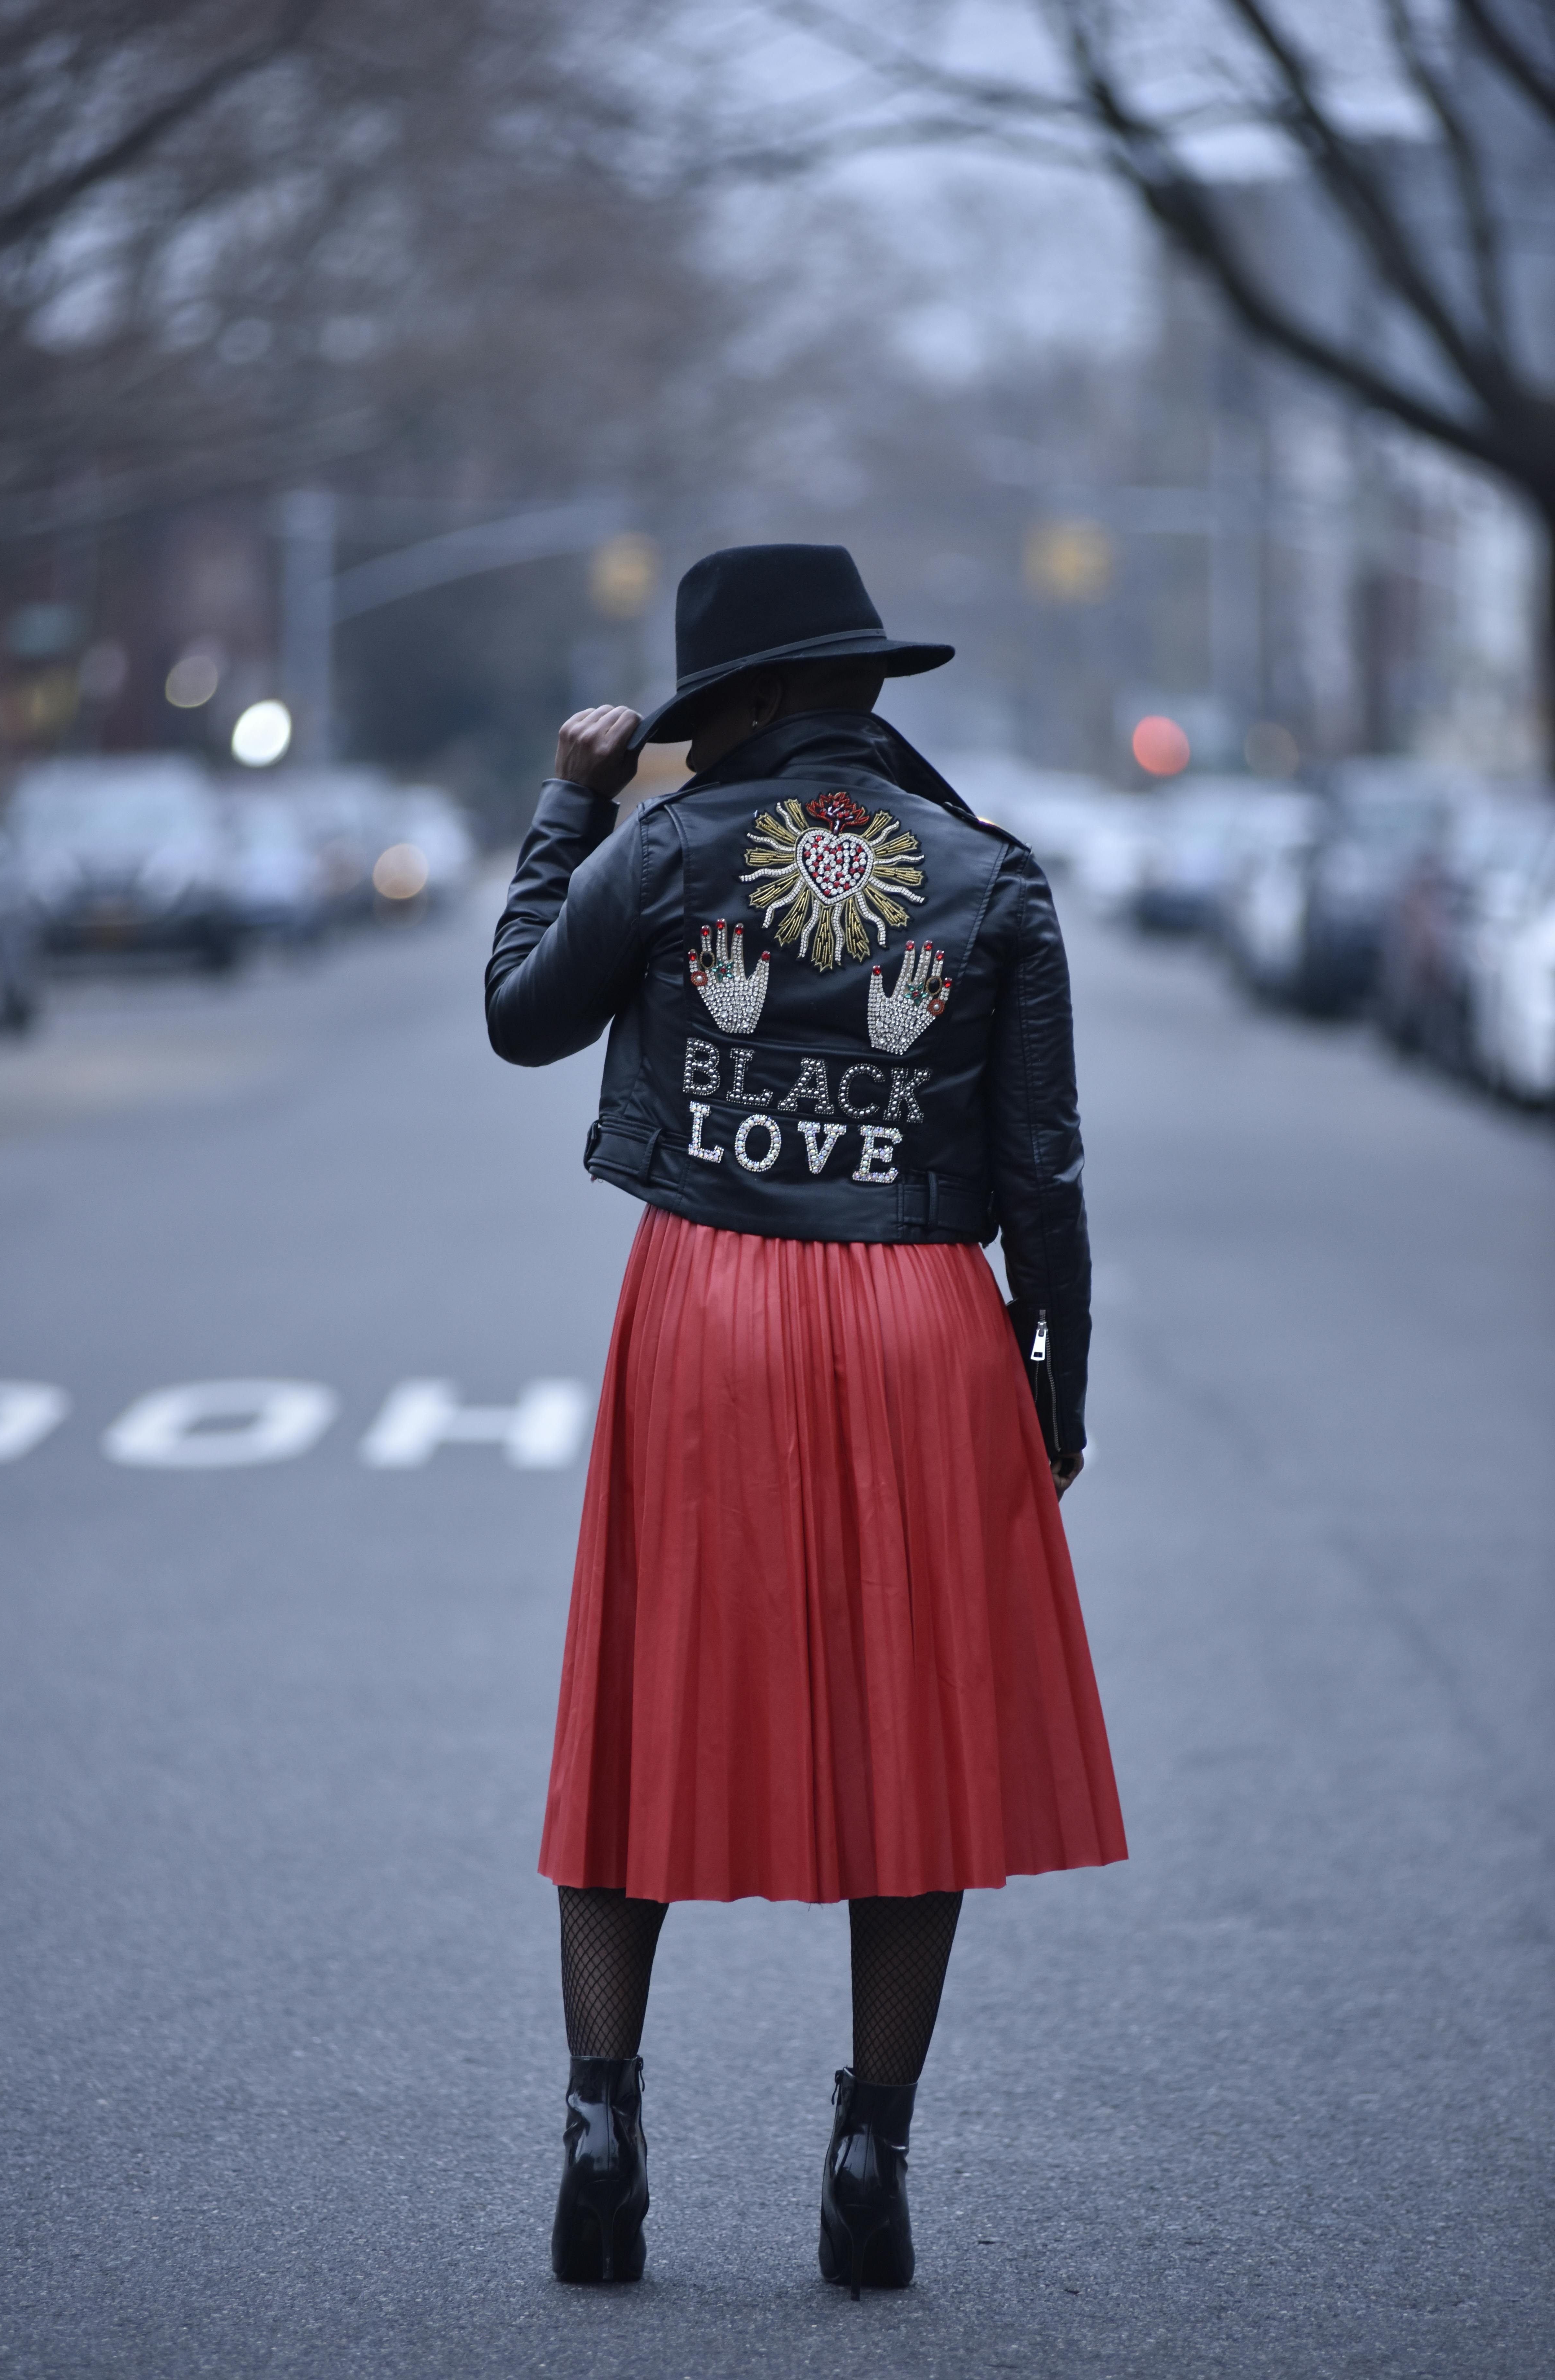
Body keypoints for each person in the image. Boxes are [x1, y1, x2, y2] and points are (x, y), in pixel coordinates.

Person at [485, 542, 1125, 2297]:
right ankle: (869, 2156)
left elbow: (521, 1018)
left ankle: (602, 2126)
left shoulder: (669, 849)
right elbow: (1040, 1172)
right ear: (855, 689)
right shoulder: (991, 875)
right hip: (924, 1313)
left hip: (709, 1301)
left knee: (641, 1705)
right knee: (910, 1737)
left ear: (750, 703)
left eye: (700, 723)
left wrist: (570, 811)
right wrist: (1052, 1389)